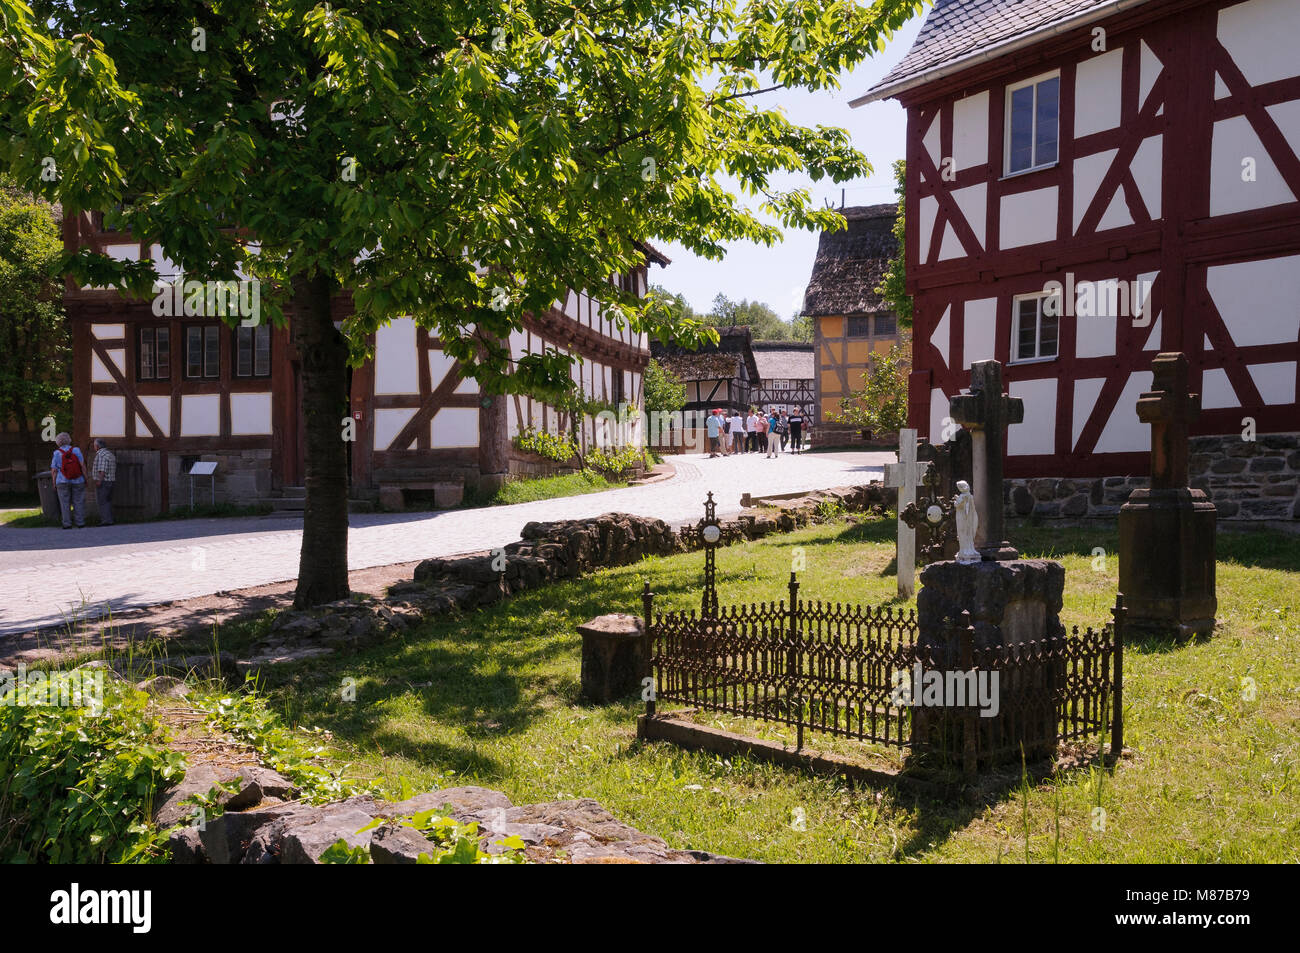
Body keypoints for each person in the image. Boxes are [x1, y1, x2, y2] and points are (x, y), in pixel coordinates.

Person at [50, 432, 88, 529]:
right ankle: (80, 522)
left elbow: (54, 470)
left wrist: (54, 483)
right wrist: (86, 478)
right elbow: (82, 465)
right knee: (78, 501)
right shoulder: (76, 450)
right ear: (69, 440)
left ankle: (67, 524)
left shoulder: (57, 453)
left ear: (58, 442)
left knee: (64, 503)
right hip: (78, 480)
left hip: (62, 481)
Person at [92, 437, 117, 525]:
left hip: (104, 481)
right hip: (111, 481)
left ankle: (106, 520)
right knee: (108, 501)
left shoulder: (101, 455)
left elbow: (102, 470)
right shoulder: (110, 454)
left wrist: (99, 480)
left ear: (97, 446)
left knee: (102, 501)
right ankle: (109, 519)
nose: (94, 447)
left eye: (94, 445)